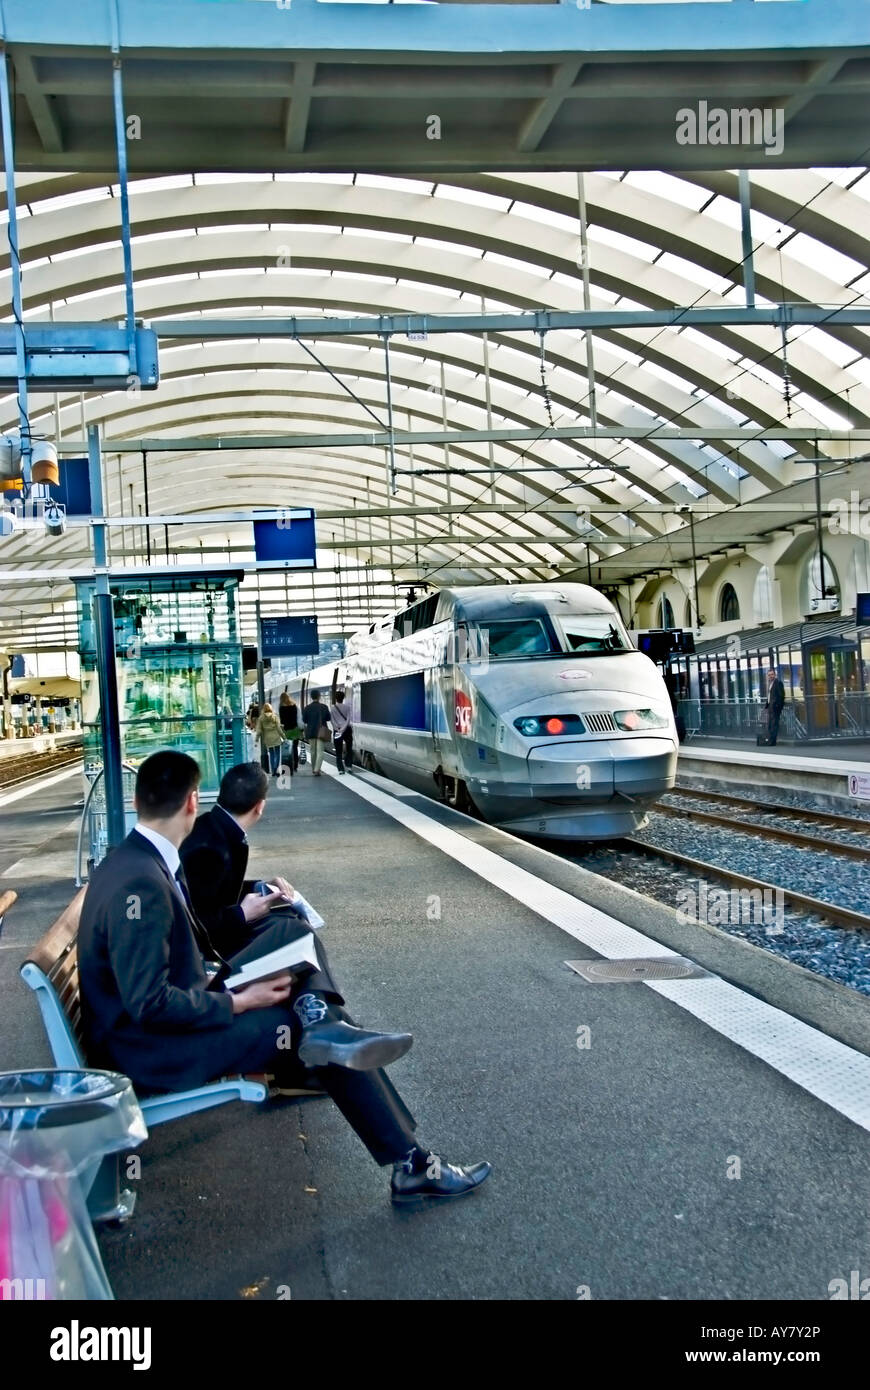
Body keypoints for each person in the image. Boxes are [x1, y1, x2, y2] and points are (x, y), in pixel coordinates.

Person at [78, 751, 491, 1204]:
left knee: (293, 940)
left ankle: (325, 1028)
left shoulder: (135, 860)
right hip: (149, 1050)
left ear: (138, 802)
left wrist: (235, 984)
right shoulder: (141, 882)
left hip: (156, 1024)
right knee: (293, 1026)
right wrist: (241, 1000)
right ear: (193, 801)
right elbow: (149, 1004)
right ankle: (408, 1159)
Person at [302, 690, 331, 776]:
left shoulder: (307, 708)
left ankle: (314, 768)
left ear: (311, 697)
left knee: (313, 751)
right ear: (319, 696)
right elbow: (328, 718)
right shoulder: (324, 707)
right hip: (321, 732)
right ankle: (317, 769)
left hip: (310, 731)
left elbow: (304, 720)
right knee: (320, 751)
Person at [254, 701, 284, 776]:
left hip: (267, 738)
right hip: (276, 737)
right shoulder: (275, 716)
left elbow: (259, 730)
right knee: (277, 754)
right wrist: (284, 737)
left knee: (272, 754)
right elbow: (278, 728)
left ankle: (273, 770)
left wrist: (256, 739)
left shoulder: (261, 718)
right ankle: (276, 769)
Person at [329, 689, 353, 774]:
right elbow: (348, 719)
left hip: (337, 730)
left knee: (338, 750)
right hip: (347, 730)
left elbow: (332, 720)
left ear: (336, 698)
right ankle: (349, 766)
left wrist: (337, 728)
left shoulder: (332, 708)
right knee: (349, 748)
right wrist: (344, 727)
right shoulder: (347, 707)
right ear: (343, 698)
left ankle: (340, 769)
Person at [278, 691, 300, 772]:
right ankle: (295, 766)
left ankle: (288, 765)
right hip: (295, 729)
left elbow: (282, 720)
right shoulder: (294, 706)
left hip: (286, 730)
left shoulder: (281, 708)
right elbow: (297, 718)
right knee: (295, 748)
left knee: (287, 748)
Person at [765, 669, 785, 745]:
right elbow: (770, 695)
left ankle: (772, 741)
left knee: (774, 724)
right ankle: (771, 740)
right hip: (770, 706)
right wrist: (767, 704)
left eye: (772, 674)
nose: (770, 676)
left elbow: (781, 696)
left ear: (775, 675)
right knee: (770, 724)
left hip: (775, 707)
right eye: (769, 675)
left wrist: (778, 706)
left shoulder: (778, 683)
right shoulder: (771, 683)